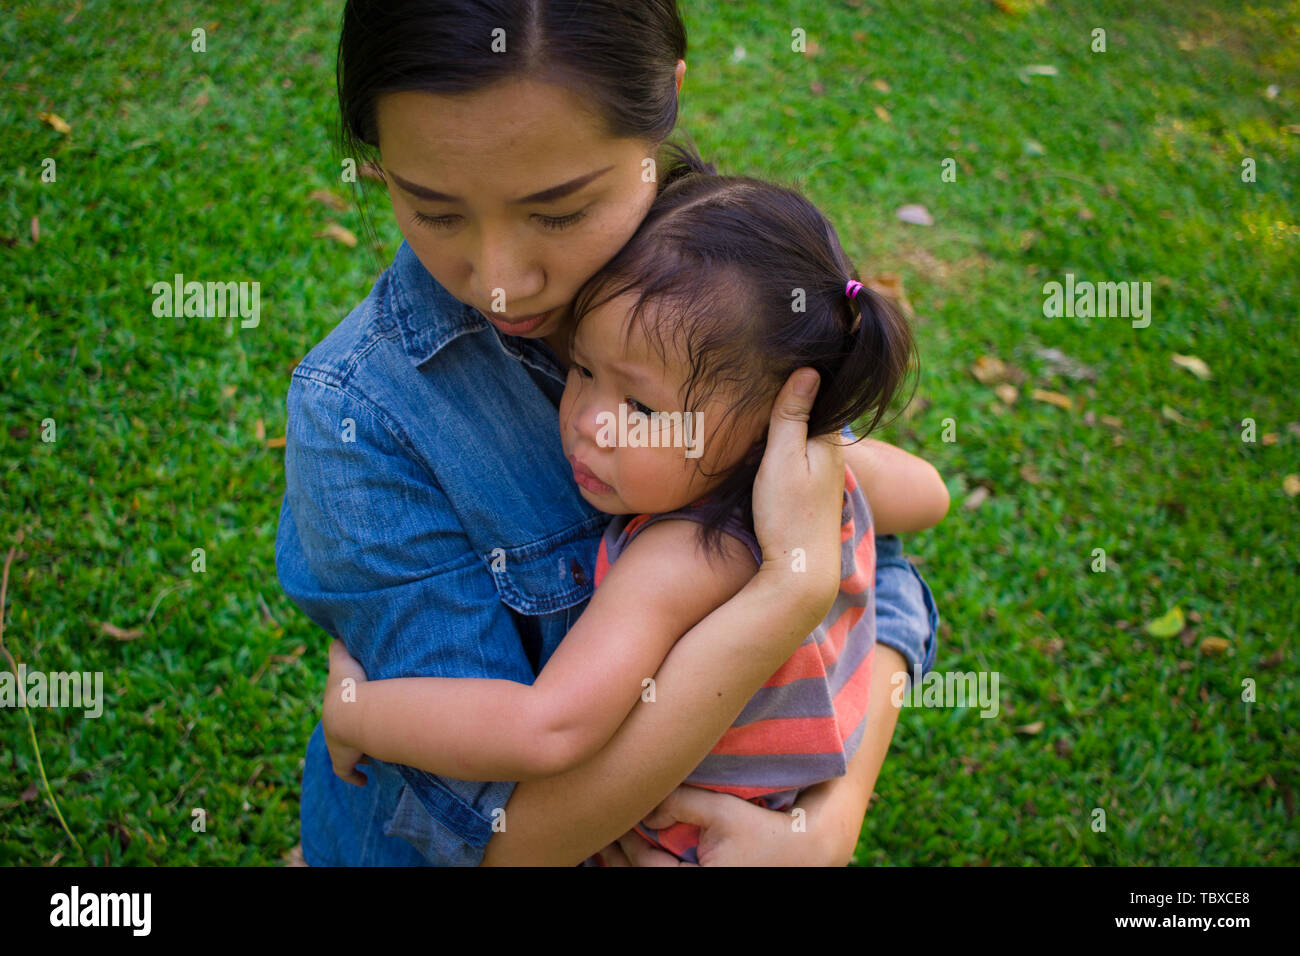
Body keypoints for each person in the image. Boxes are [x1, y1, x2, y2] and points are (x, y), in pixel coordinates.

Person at [276, 0, 940, 866]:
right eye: (434, 209)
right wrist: (784, 596)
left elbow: (883, 574)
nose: (504, 282)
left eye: (558, 211)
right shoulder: (358, 416)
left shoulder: (737, 314)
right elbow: (497, 841)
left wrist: (830, 821)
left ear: (665, 101)